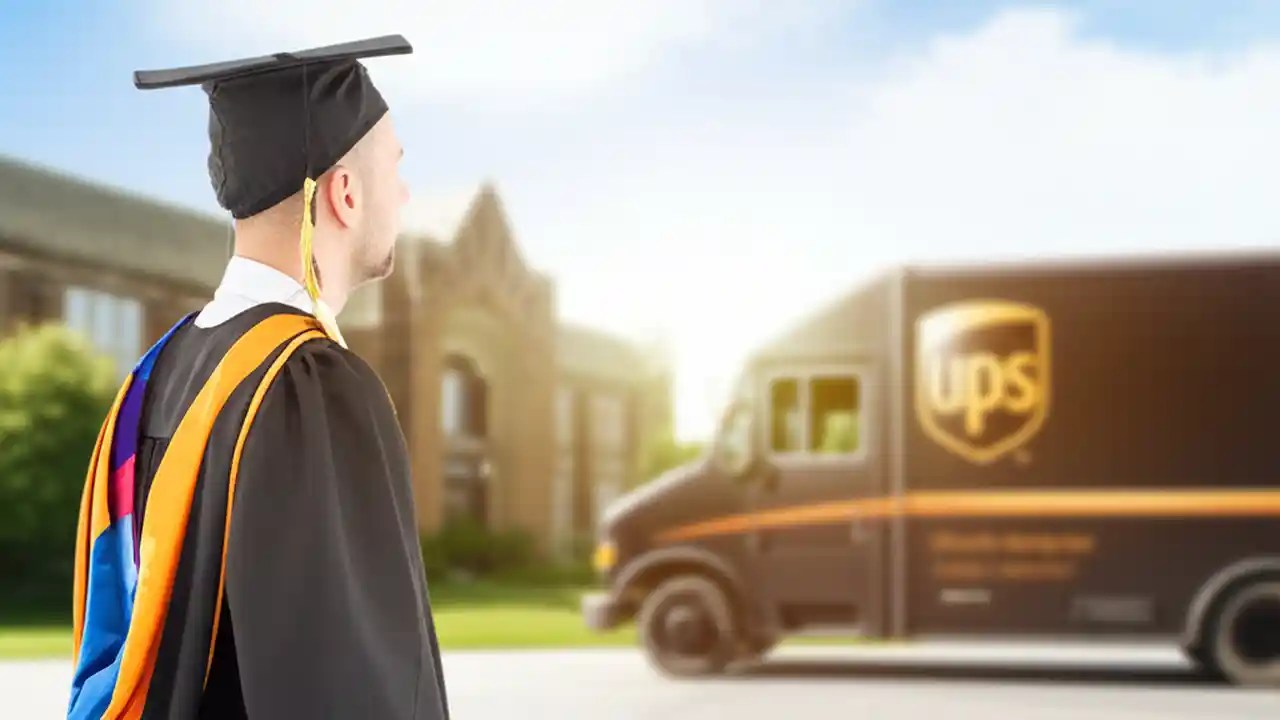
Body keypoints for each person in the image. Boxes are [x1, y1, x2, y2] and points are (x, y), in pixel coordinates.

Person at [67, 36, 449, 719]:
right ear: (345, 194)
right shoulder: (315, 388)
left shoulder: (156, 377)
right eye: (395, 168)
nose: (406, 192)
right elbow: (351, 690)